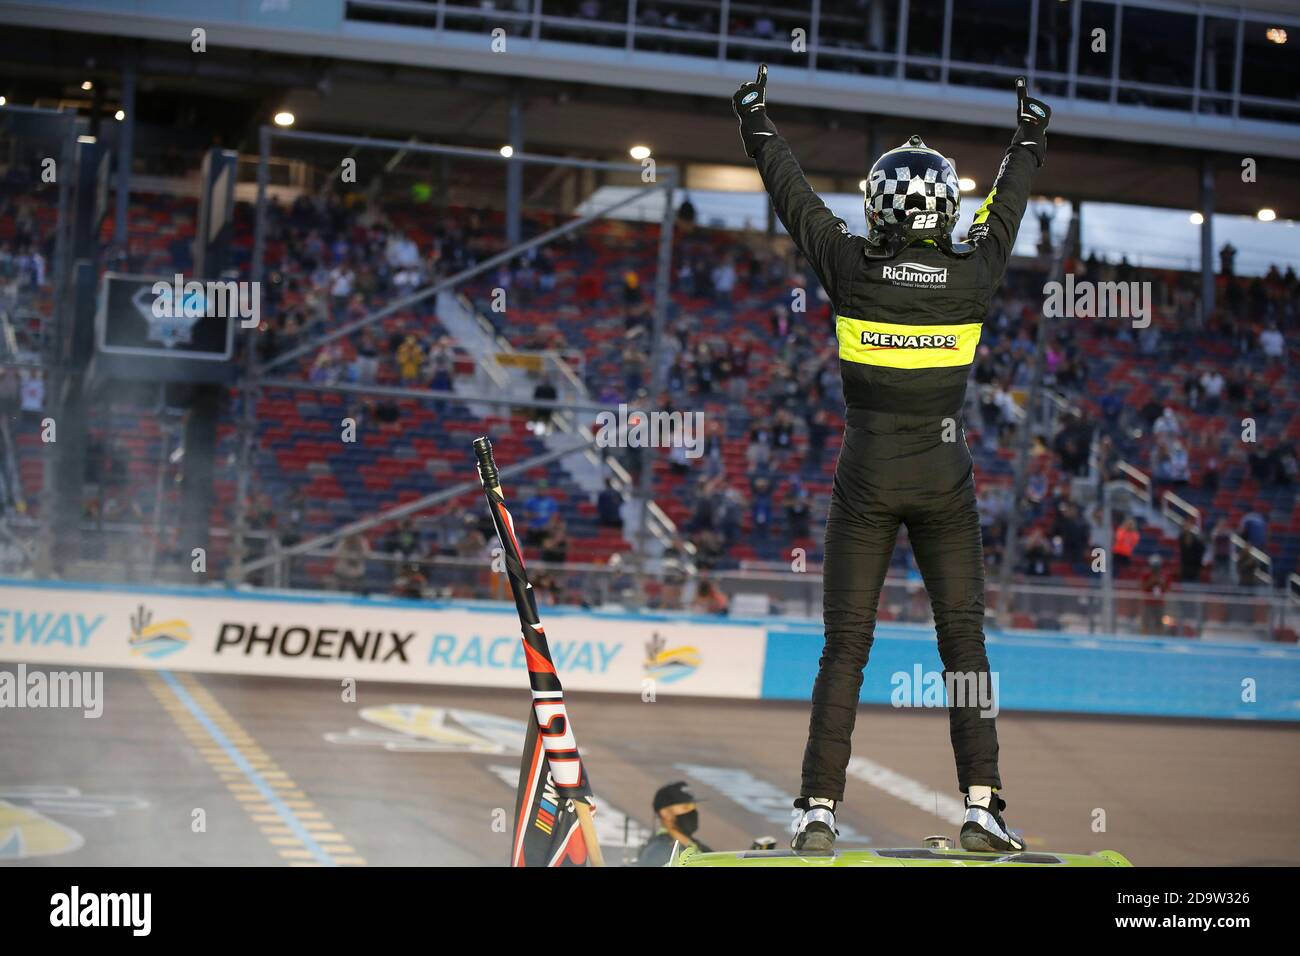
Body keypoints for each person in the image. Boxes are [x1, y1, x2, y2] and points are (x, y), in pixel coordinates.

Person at [734, 65, 1051, 853]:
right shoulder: (974, 271)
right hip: (944, 475)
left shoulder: (849, 266)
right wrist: (1030, 136)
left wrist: (756, 123)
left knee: (846, 644)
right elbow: (1006, 205)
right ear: (945, 208)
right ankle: (982, 805)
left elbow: (794, 197)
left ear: (878, 206)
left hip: (866, 472)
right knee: (964, 644)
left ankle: (816, 811)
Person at [633, 781, 711, 866]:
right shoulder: (658, 853)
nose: (692, 811)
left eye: (693, 806)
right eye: (685, 807)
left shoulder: (694, 845)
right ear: (665, 813)